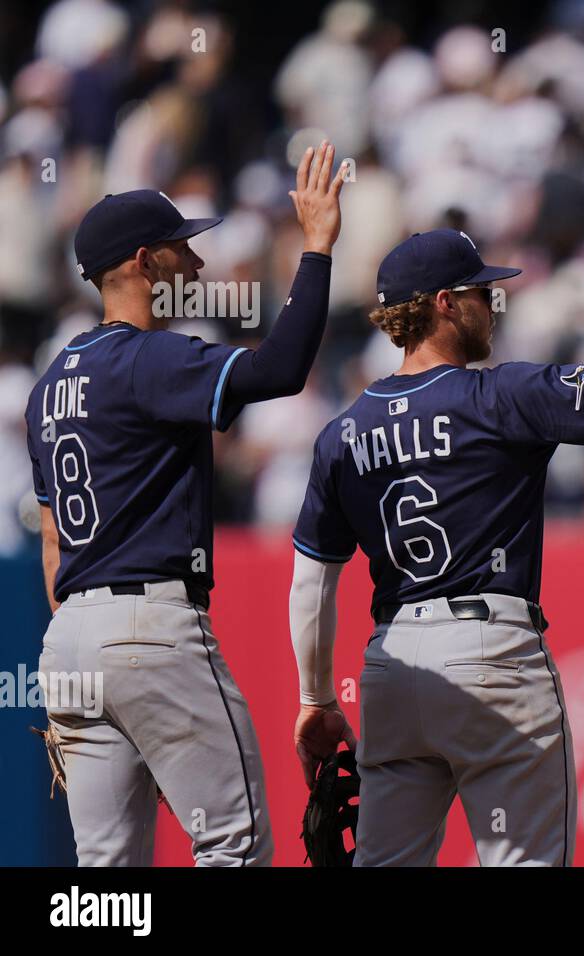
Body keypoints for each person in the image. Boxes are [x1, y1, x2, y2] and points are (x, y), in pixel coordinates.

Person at [287, 166, 584, 866]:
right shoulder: (502, 395)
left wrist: (315, 697)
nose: (492, 304)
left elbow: (310, 584)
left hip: (394, 665)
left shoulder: (341, 433)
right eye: (479, 293)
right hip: (492, 654)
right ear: (442, 305)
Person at [26, 141, 348, 865]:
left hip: (70, 637)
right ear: (144, 262)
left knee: (107, 876)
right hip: (150, 626)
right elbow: (280, 369)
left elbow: (52, 541)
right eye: (181, 250)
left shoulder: (49, 386)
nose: (196, 266)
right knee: (235, 845)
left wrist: (89, 642)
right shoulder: (147, 357)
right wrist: (319, 248)